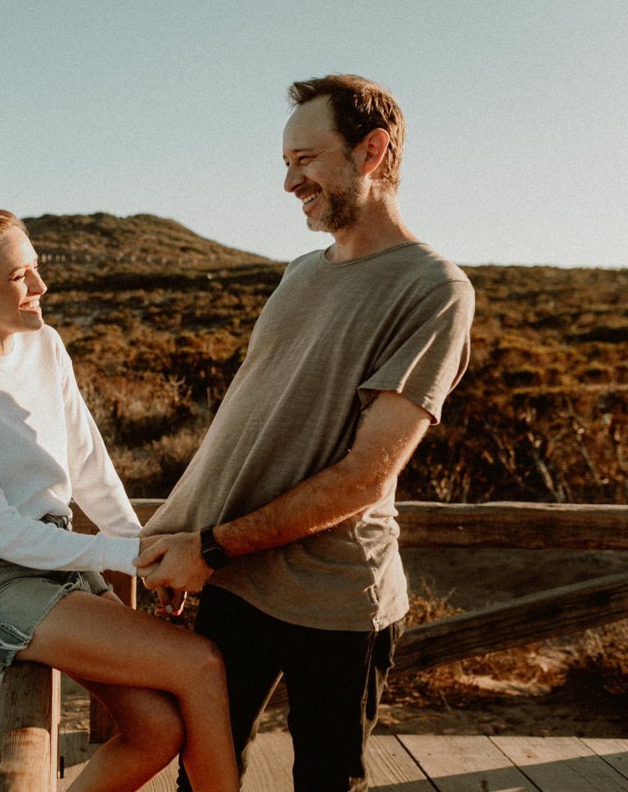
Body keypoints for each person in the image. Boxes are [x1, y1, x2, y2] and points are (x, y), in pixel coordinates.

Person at [135, 75, 475, 792]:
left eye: (305, 159)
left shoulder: (433, 288)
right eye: (285, 164)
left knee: (325, 783)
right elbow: (247, 425)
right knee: (200, 778)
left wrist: (210, 545)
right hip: (233, 579)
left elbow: (365, 476)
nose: (290, 182)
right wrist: (182, 535)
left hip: (336, 600)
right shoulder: (296, 274)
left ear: (371, 151)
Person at [0, 207, 239, 792]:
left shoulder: (45, 346)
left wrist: (145, 551)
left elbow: (90, 466)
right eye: (19, 277)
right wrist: (130, 558)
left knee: (156, 732)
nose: (41, 287)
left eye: (36, 268)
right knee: (201, 663)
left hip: (61, 561)